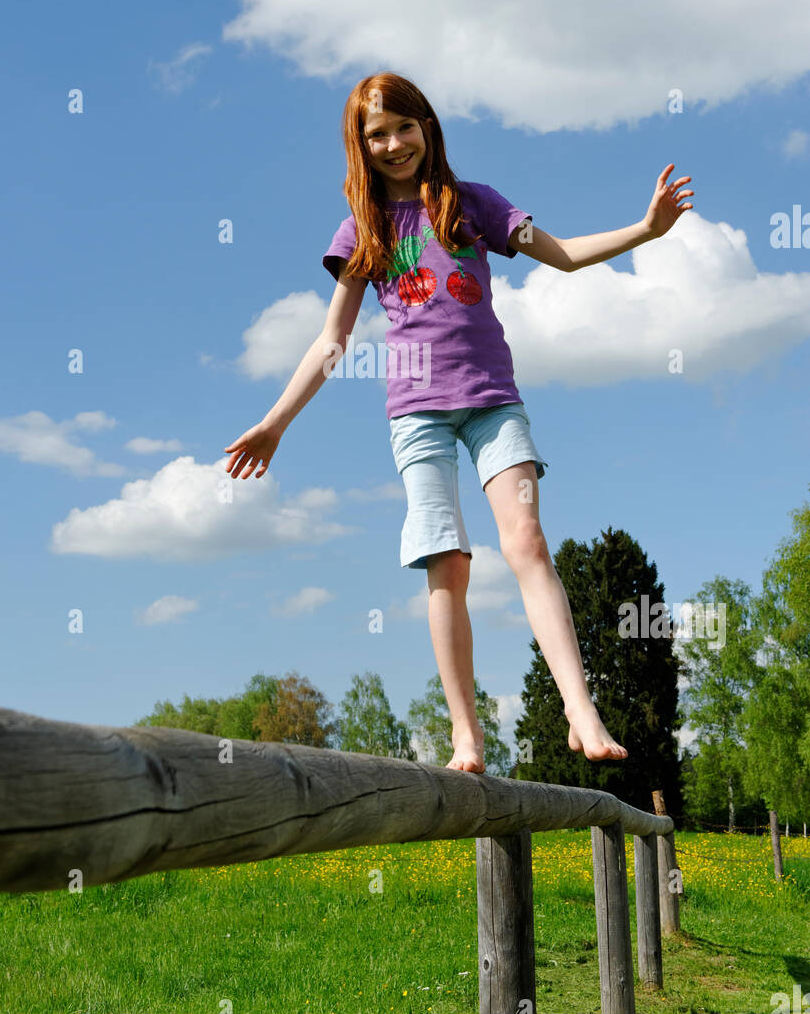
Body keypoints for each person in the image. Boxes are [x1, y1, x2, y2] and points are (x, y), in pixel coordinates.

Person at [224, 72, 693, 774]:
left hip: (492, 401)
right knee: (446, 563)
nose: (392, 143)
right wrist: (274, 424)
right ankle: (466, 737)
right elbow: (332, 340)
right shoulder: (362, 229)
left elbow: (560, 255)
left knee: (527, 541)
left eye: (402, 126)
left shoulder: (475, 205)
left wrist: (646, 231)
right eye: (374, 134)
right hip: (416, 414)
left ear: (426, 126)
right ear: (359, 146)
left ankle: (578, 710)